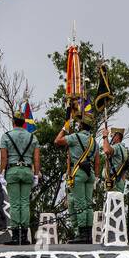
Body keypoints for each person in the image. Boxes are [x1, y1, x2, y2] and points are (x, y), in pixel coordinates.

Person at [54, 103, 98, 243]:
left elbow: (57, 141)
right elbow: (97, 162)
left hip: (78, 172)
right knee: (88, 204)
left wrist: (64, 128)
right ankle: (88, 234)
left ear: (80, 126)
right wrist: (96, 177)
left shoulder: (75, 137)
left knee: (79, 204)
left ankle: (81, 234)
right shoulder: (93, 141)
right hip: (90, 173)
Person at [0, 111, 41, 244]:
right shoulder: (32, 138)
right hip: (27, 171)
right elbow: (36, 159)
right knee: (25, 203)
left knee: (15, 204)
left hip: (12, 170)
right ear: (24, 123)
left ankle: (16, 235)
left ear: (13, 122)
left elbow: (3, 157)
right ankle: (24, 235)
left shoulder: (6, 137)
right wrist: (36, 175)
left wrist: (1, 172)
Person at [102, 127, 129, 194]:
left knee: (111, 203)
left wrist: (105, 136)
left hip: (113, 182)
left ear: (117, 136)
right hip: (119, 181)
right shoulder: (124, 149)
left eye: (112, 135)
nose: (111, 137)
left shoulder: (117, 147)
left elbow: (107, 150)